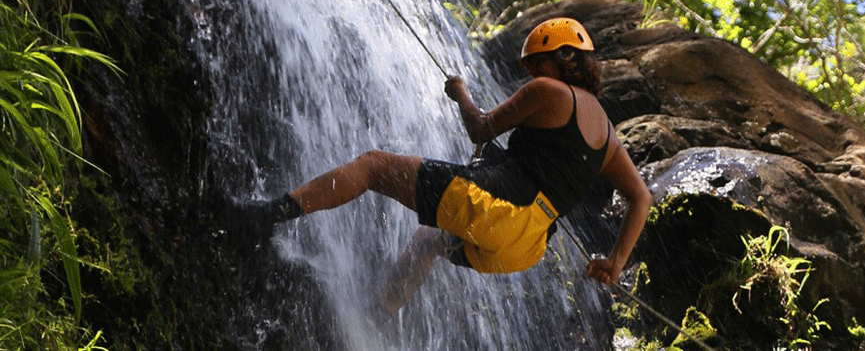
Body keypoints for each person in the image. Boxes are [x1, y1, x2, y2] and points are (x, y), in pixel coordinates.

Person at [227, 17, 651, 315]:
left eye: (534, 63)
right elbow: (641, 198)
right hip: (526, 245)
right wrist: (615, 262)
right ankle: (378, 316)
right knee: (430, 239)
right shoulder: (609, 136)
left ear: (562, 59)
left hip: (497, 206)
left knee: (374, 166)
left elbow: (481, 129)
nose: (529, 73)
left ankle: (266, 216)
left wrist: (461, 93)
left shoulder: (549, 90)